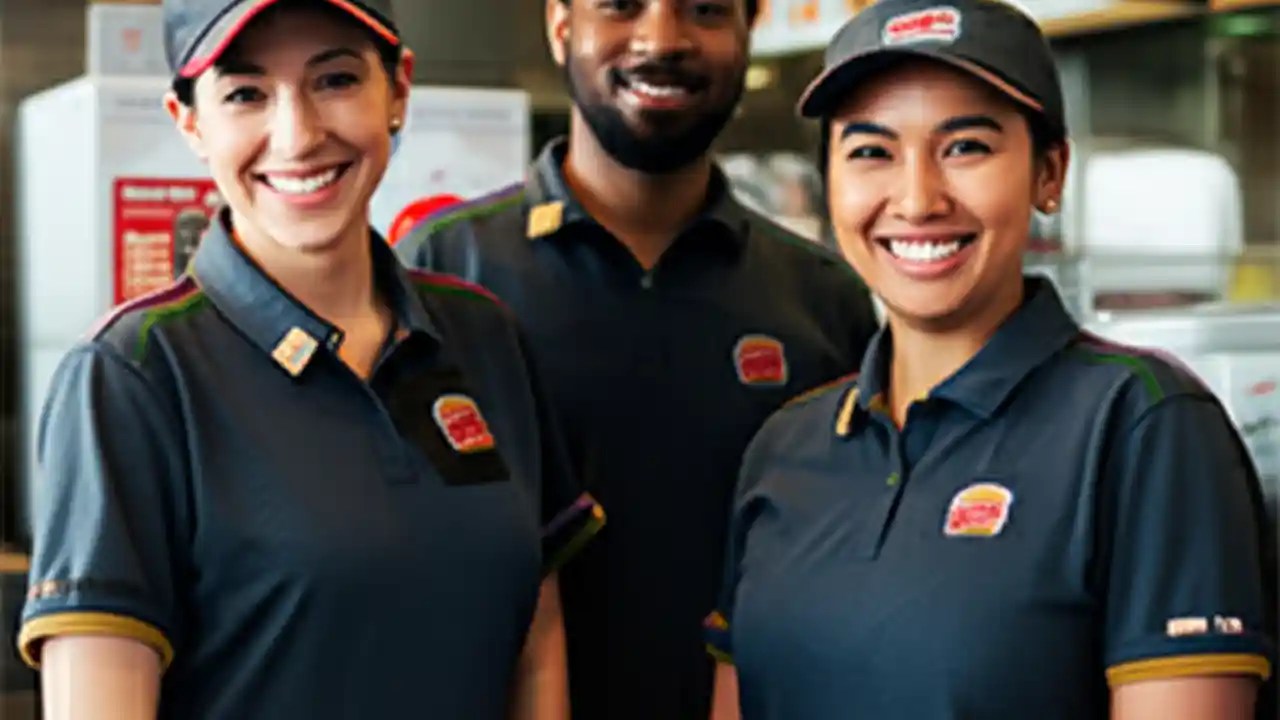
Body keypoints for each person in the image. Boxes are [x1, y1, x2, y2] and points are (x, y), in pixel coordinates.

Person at [16, 1, 602, 718]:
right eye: (245, 94)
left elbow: (535, 633)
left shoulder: (485, 338)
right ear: (189, 121)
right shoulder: (133, 374)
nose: (297, 136)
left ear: (399, 90)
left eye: (335, 81)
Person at [706, 0, 1277, 718]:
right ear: (831, 185)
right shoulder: (785, 449)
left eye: (966, 147)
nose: (916, 199)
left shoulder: (1143, 427)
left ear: (1050, 172)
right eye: (871, 151)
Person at [393, 1, 880, 717]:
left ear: (750, 29)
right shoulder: (443, 273)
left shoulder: (821, 298)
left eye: (705, 10)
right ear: (560, 24)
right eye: (621, 6)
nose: (661, 39)